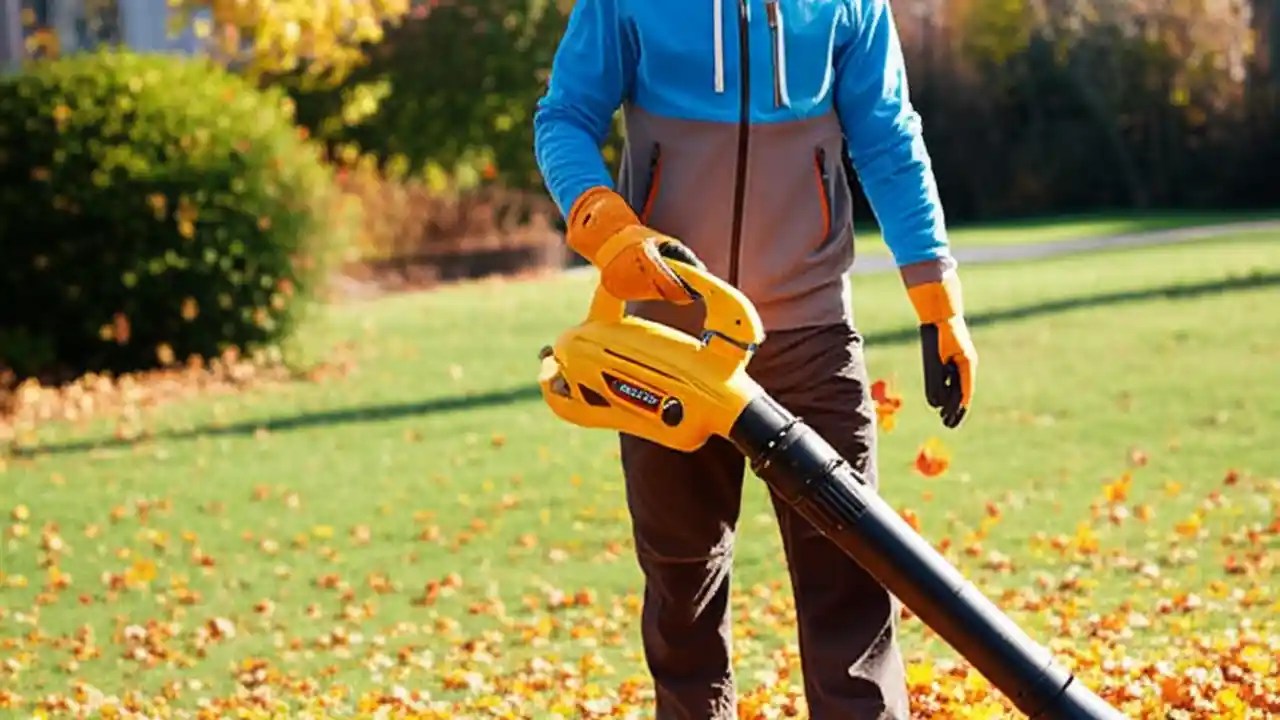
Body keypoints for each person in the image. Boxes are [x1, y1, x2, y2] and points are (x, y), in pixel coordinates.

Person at [532, 0, 978, 717]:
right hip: (665, 338)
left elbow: (889, 136)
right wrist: (604, 223)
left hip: (811, 332)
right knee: (683, 591)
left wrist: (937, 299)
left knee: (853, 578)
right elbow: (564, 117)